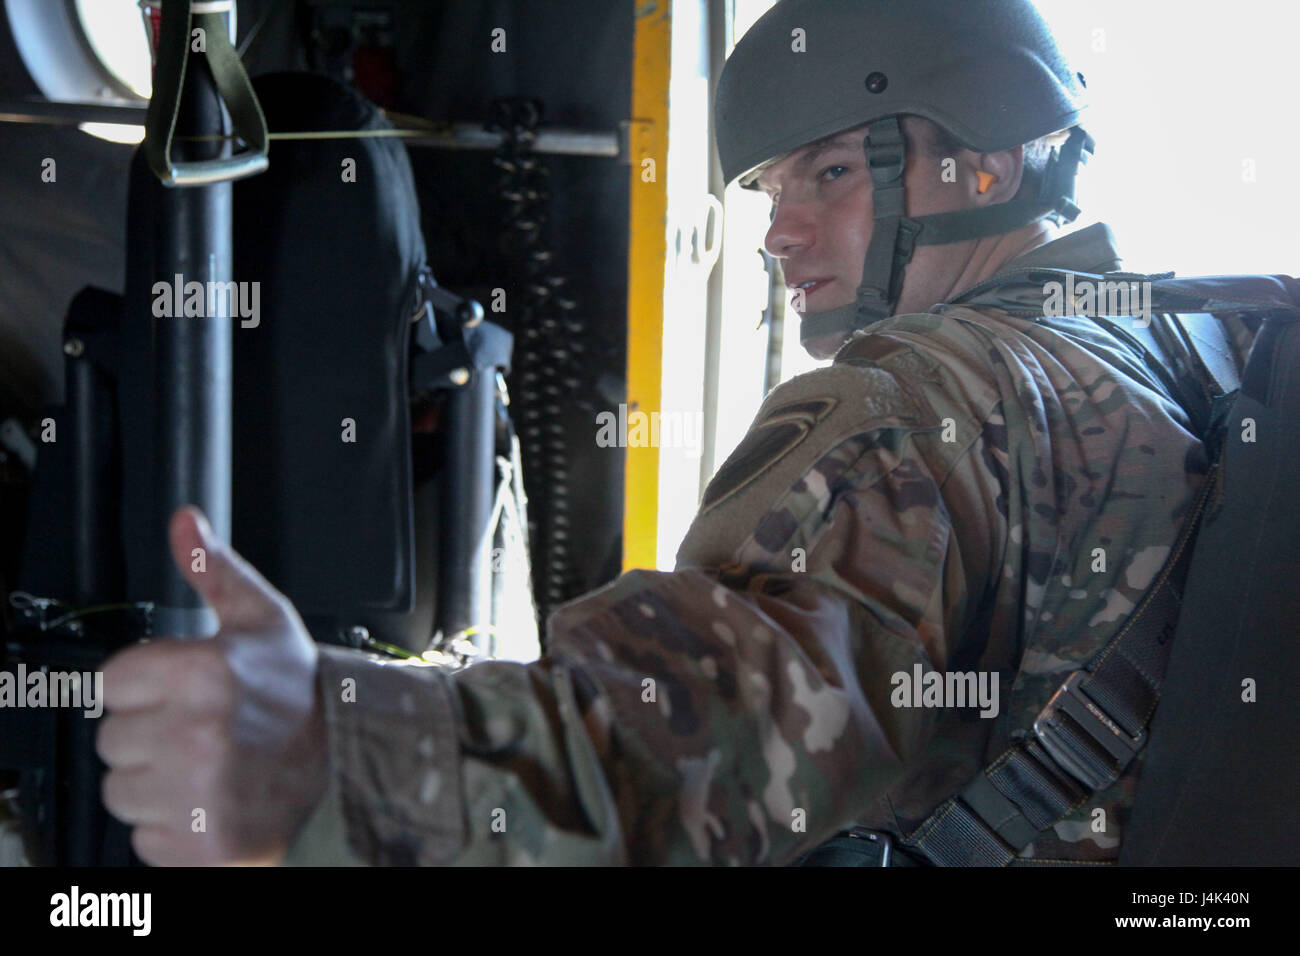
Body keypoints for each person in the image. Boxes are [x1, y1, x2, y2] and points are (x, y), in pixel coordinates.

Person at [94, 0, 1254, 866]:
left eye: (833, 171)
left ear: (984, 159)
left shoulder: (920, 398)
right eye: (767, 194)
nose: (778, 235)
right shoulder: (1190, 346)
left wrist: (340, 752)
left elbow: (727, 713)